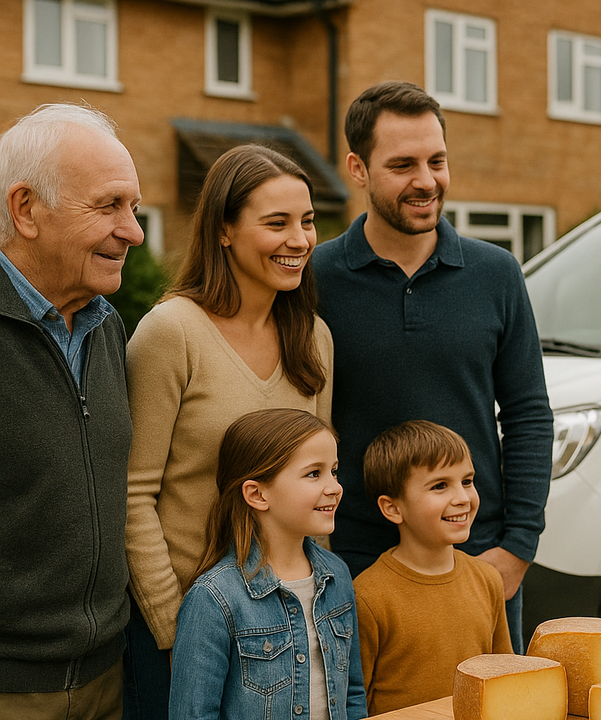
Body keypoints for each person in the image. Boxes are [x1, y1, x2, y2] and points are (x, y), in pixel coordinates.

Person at [312, 81, 553, 651]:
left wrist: (518, 546)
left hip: (476, 555)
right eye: (402, 164)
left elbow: (528, 415)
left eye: (436, 160)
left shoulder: (496, 273)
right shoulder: (315, 278)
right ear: (358, 168)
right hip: (356, 561)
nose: (426, 180)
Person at [122, 145, 334, 718]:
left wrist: (320, 607)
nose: (300, 240)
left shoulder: (313, 337)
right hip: (186, 622)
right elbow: (133, 492)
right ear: (223, 230)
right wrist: (172, 629)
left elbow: (320, 488)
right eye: (276, 223)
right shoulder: (170, 333)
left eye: (307, 221)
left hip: (287, 622)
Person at [0, 103, 143, 719]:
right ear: (25, 209)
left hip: (107, 675)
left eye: (133, 208)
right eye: (109, 206)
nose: (134, 231)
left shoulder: (106, 328)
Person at [169, 408, 366, 720]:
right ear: (257, 494)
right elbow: (192, 714)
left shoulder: (336, 575)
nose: (334, 487)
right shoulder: (215, 598)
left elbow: (353, 693)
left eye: (334, 471)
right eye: (314, 473)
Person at [354, 420, 513, 714]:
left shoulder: (488, 579)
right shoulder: (368, 596)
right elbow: (353, 700)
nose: (463, 498)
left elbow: (505, 677)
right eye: (440, 486)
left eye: (467, 481)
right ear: (393, 508)